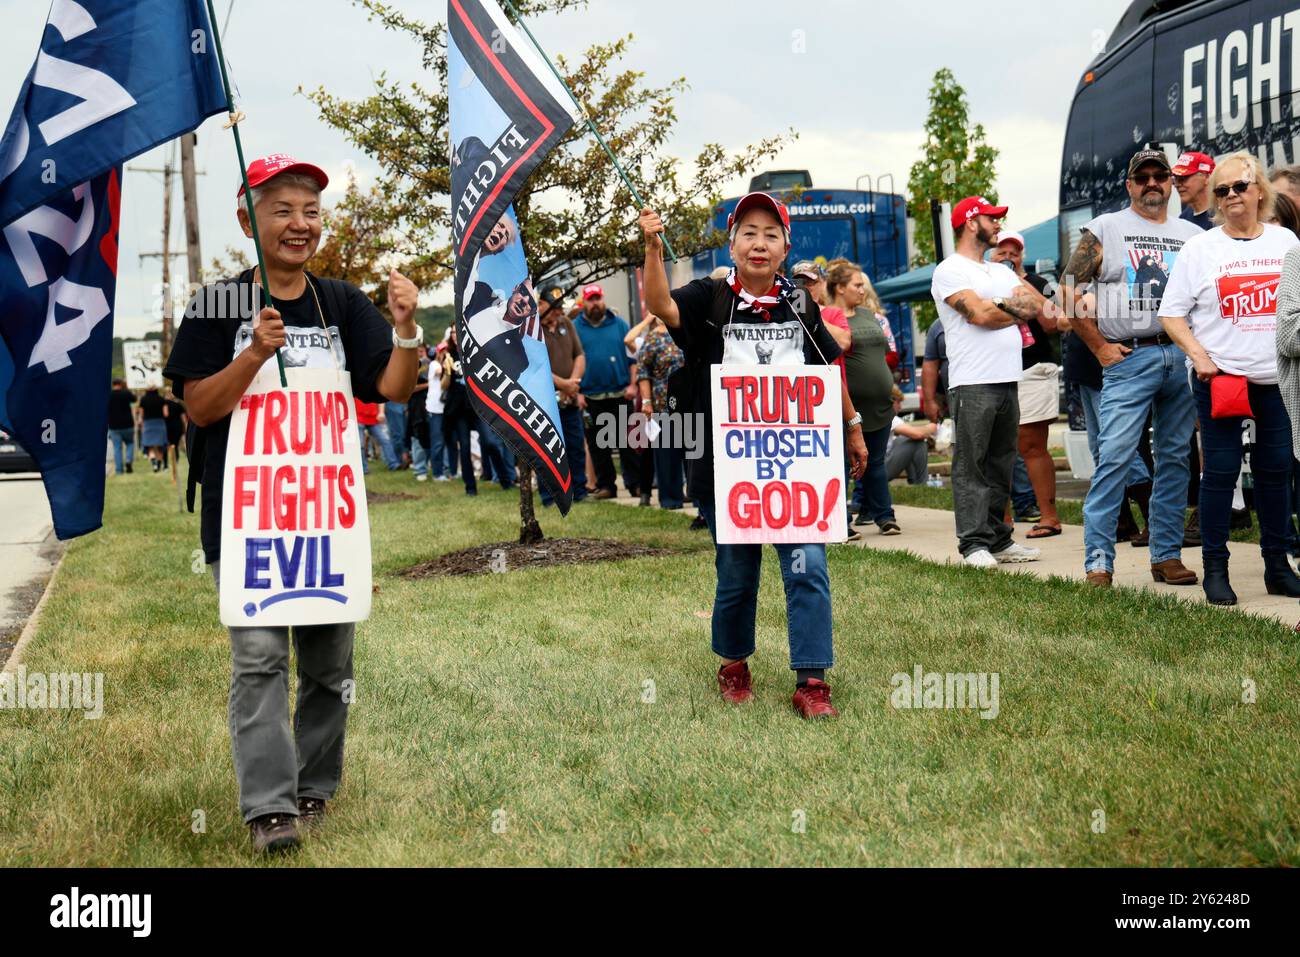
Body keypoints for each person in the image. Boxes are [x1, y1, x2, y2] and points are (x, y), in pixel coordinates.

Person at [162, 153, 420, 853]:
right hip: (247, 524)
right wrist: (250, 355)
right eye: (282, 209)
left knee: (331, 666)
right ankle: (270, 807)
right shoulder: (217, 304)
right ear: (248, 220)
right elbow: (199, 406)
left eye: (310, 210)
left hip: (325, 523)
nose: (299, 224)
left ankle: (316, 786)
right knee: (258, 661)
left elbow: (391, 390)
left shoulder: (341, 303)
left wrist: (403, 330)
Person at [640, 193, 868, 719]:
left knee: (808, 566)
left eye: (771, 233)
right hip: (727, 469)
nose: (759, 243)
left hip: (797, 469)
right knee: (737, 570)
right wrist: (653, 250)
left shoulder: (801, 304)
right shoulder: (709, 297)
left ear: (786, 247)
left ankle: (812, 680)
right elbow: (660, 305)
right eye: (749, 231)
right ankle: (734, 665)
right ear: (733, 242)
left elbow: (827, 369)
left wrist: (852, 427)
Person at [1159, 151, 1300, 605]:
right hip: (1220, 380)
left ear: (1260, 190)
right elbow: (1172, 313)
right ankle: (1215, 569)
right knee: (1219, 473)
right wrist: (1199, 356)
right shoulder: (1201, 248)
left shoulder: (1287, 245)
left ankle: (1278, 566)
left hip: (1277, 380)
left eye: (1240, 186)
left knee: (1276, 473)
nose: (1232, 196)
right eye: (1221, 190)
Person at [1060, 148, 1203, 588]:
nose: (1152, 183)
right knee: (1116, 458)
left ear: (1170, 182)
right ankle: (1099, 562)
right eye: (1142, 177)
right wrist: (1100, 347)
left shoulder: (1191, 235)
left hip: (1180, 357)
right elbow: (1067, 289)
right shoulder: (1106, 227)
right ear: (1129, 185)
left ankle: (1166, 555)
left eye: (1160, 175)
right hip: (1129, 356)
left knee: (1176, 458)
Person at [930, 196, 1045, 567]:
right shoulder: (950, 270)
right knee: (972, 466)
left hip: (1008, 377)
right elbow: (978, 315)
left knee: (1001, 463)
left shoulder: (1002, 271)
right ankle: (973, 543)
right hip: (972, 381)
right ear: (968, 222)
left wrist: (996, 305)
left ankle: (998, 540)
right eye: (991, 219)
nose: (999, 225)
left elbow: (1038, 306)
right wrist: (1006, 307)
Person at [991, 230, 1062, 537]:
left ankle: (1049, 517)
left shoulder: (1037, 283)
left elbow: (1052, 322)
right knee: (997, 447)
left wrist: (1017, 281)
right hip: (996, 370)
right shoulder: (981, 283)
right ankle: (1001, 522)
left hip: (1033, 369)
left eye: (1014, 253)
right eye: (1000, 253)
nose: (1008, 258)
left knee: (1031, 445)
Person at [825, 262, 900, 535]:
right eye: (856, 285)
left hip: (879, 406)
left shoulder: (869, 316)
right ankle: (841, 521)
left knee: (876, 463)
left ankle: (884, 515)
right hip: (848, 408)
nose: (862, 289)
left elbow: (884, 354)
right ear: (840, 287)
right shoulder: (828, 317)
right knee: (843, 465)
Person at [575, 284, 640, 499]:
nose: (595, 303)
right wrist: (578, 392)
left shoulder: (620, 325)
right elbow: (571, 361)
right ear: (584, 302)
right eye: (591, 300)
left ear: (603, 299)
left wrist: (632, 385)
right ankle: (606, 486)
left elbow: (632, 360)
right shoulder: (576, 328)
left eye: (598, 299)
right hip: (591, 396)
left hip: (621, 394)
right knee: (597, 446)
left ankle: (635, 484)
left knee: (628, 443)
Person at [538, 286, 588, 506]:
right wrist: (563, 384)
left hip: (569, 398)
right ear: (542, 305)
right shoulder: (533, 329)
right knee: (548, 450)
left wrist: (573, 384)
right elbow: (536, 366)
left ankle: (580, 491)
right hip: (545, 401)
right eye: (554, 307)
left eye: (560, 307)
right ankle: (551, 497)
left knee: (576, 446)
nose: (559, 312)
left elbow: (579, 355)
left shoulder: (567, 324)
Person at [635, 314, 687, 510]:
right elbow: (643, 372)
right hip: (662, 402)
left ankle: (692, 495)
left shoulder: (683, 332)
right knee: (666, 453)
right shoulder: (653, 339)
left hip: (687, 402)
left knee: (691, 451)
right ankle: (670, 499)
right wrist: (646, 402)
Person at [439, 325, 479, 495]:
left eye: (458, 331)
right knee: (464, 445)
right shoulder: (448, 355)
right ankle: (470, 487)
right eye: (453, 332)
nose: (456, 335)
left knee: (490, 442)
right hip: (459, 408)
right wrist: (447, 372)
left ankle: (504, 478)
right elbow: (443, 386)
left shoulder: (475, 350)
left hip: (477, 406)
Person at [884, 385, 935, 484]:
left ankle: (914, 480)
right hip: (880, 469)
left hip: (873, 468)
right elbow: (918, 434)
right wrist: (933, 426)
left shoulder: (878, 413)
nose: (900, 407)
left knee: (904, 439)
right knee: (918, 443)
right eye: (898, 402)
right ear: (891, 401)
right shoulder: (889, 417)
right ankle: (921, 483)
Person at [1173, 151, 1216, 231]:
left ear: (1207, 177)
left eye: (1183, 178)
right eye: (1175, 179)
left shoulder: (1224, 214)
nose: (1177, 185)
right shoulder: (1184, 217)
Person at [354, 398, 398, 474]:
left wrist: (381, 412)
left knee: (385, 440)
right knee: (360, 445)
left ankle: (394, 464)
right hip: (357, 417)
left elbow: (380, 397)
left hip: (374, 418)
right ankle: (364, 469)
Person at [135, 383, 169, 472]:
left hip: (148, 424)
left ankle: (154, 463)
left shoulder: (143, 400)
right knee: (160, 446)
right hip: (160, 423)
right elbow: (166, 413)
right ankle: (158, 463)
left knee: (149, 445)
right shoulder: (162, 399)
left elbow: (141, 414)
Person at [107, 378, 136, 475]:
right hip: (127, 424)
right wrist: (126, 388)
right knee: (130, 444)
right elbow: (134, 399)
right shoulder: (126, 393)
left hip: (114, 426)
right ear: (121, 384)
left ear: (113, 384)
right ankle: (128, 460)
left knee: (117, 448)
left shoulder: (108, 395)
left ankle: (119, 470)